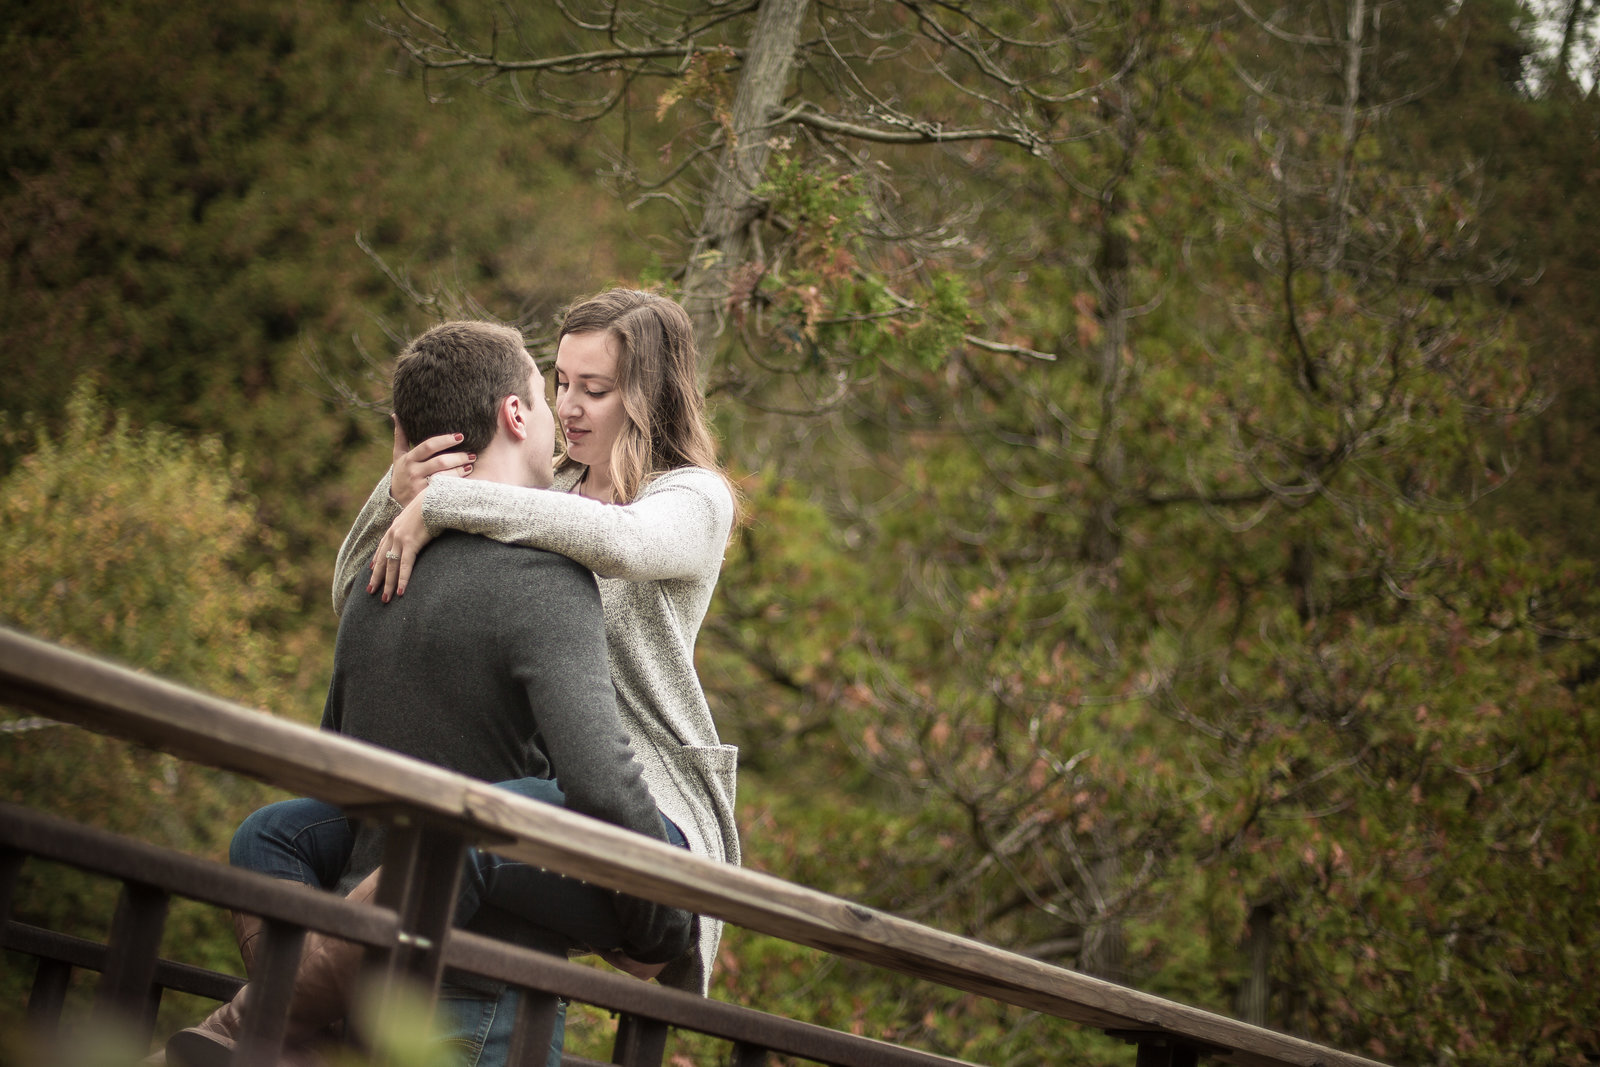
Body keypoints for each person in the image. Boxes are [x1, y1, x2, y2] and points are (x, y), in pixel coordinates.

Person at [164, 320, 694, 1067]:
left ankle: (287, 1022)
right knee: (477, 825)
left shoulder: (377, 580)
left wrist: (419, 500)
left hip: (361, 982)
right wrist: (664, 928)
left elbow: (339, 770)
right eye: (550, 392)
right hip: (479, 989)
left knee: (269, 832)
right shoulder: (544, 579)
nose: (562, 414)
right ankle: (267, 1024)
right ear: (515, 414)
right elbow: (600, 780)